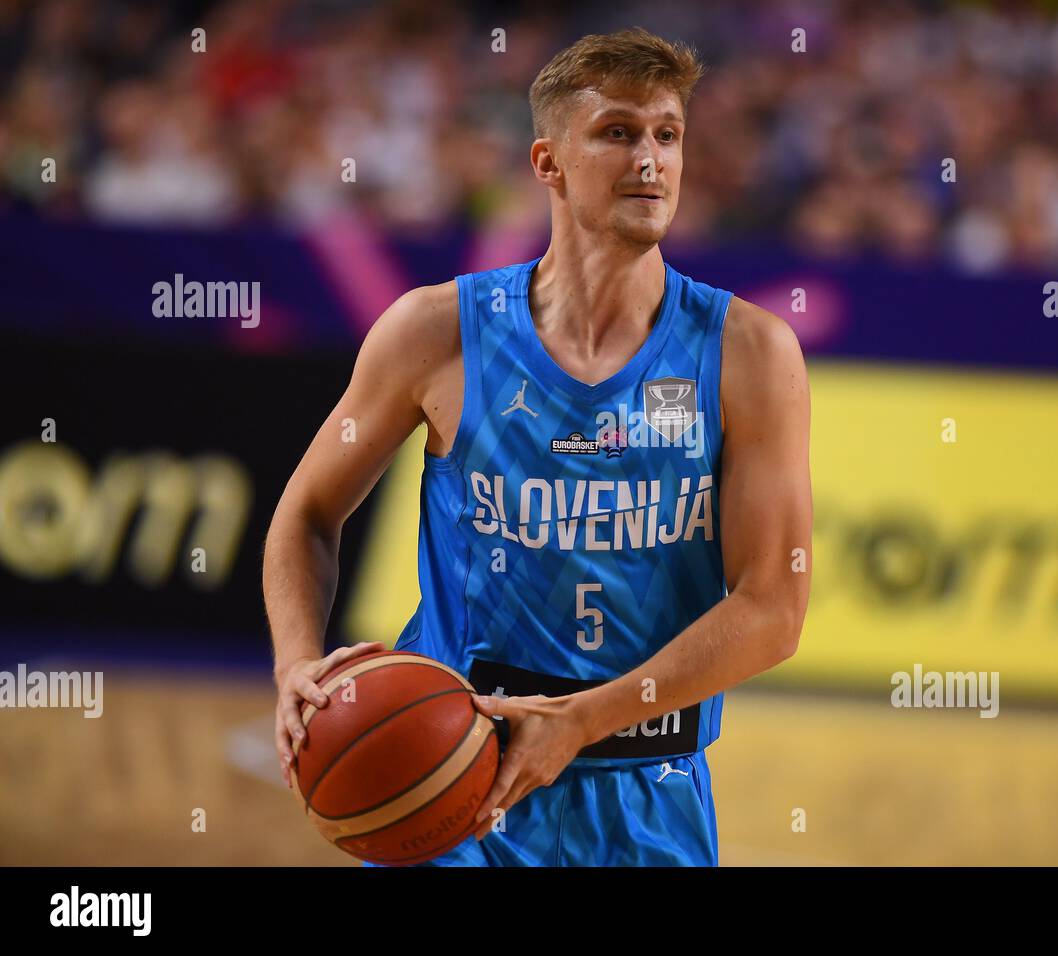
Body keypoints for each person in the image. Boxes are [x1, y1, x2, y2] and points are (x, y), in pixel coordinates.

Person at [263, 27, 812, 866]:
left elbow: (774, 607)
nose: (650, 160)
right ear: (548, 163)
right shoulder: (434, 332)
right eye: (618, 132)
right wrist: (298, 663)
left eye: (667, 134)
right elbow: (306, 512)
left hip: (646, 796)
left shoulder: (751, 352)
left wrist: (584, 720)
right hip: (456, 786)